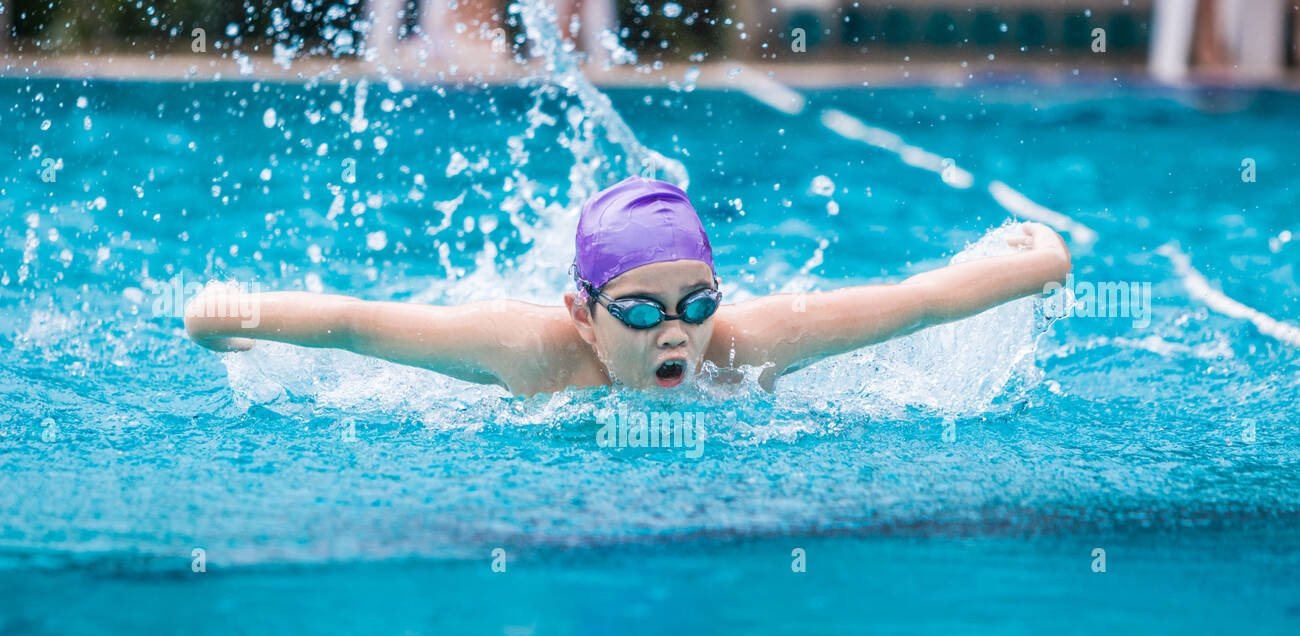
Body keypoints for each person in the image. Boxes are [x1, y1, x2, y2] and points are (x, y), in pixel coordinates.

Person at [185, 175, 1071, 397]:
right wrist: (220, 313)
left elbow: (920, 300)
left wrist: (1041, 261)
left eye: (697, 304)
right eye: (644, 312)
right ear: (583, 311)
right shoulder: (526, 351)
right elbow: (352, 324)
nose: (678, 333)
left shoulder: (747, 342)